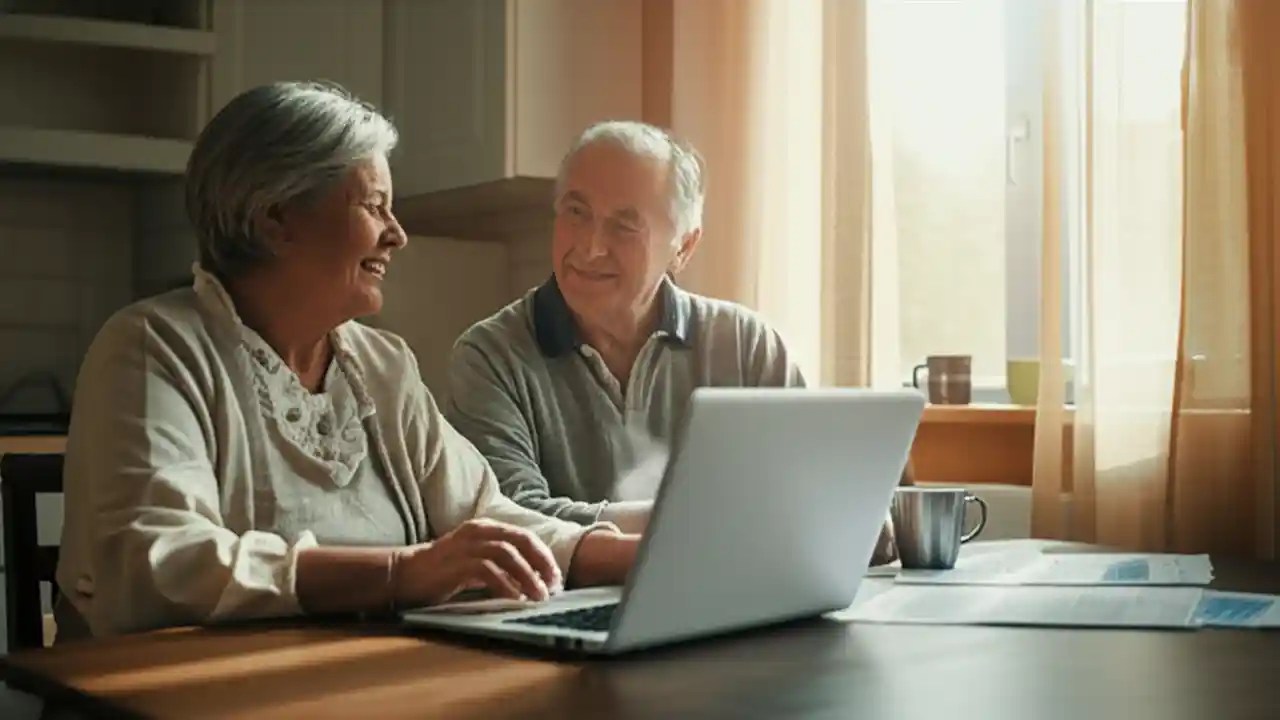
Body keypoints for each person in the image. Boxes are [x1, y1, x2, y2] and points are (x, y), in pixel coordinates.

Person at [55, 82, 638, 640]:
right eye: (375, 205)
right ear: (275, 219)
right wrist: (399, 573)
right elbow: (159, 560)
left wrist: (645, 556)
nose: (397, 235)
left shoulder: (382, 366)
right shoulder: (153, 347)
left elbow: (483, 519)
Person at [447, 121, 865, 539]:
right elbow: (510, 516)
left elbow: (806, 493)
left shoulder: (747, 345)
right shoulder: (490, 356)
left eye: (623, 226)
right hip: (566, 599)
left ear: (683, 247)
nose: (590, 248)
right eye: (576, 213)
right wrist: (691, 523)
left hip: (730, 594)